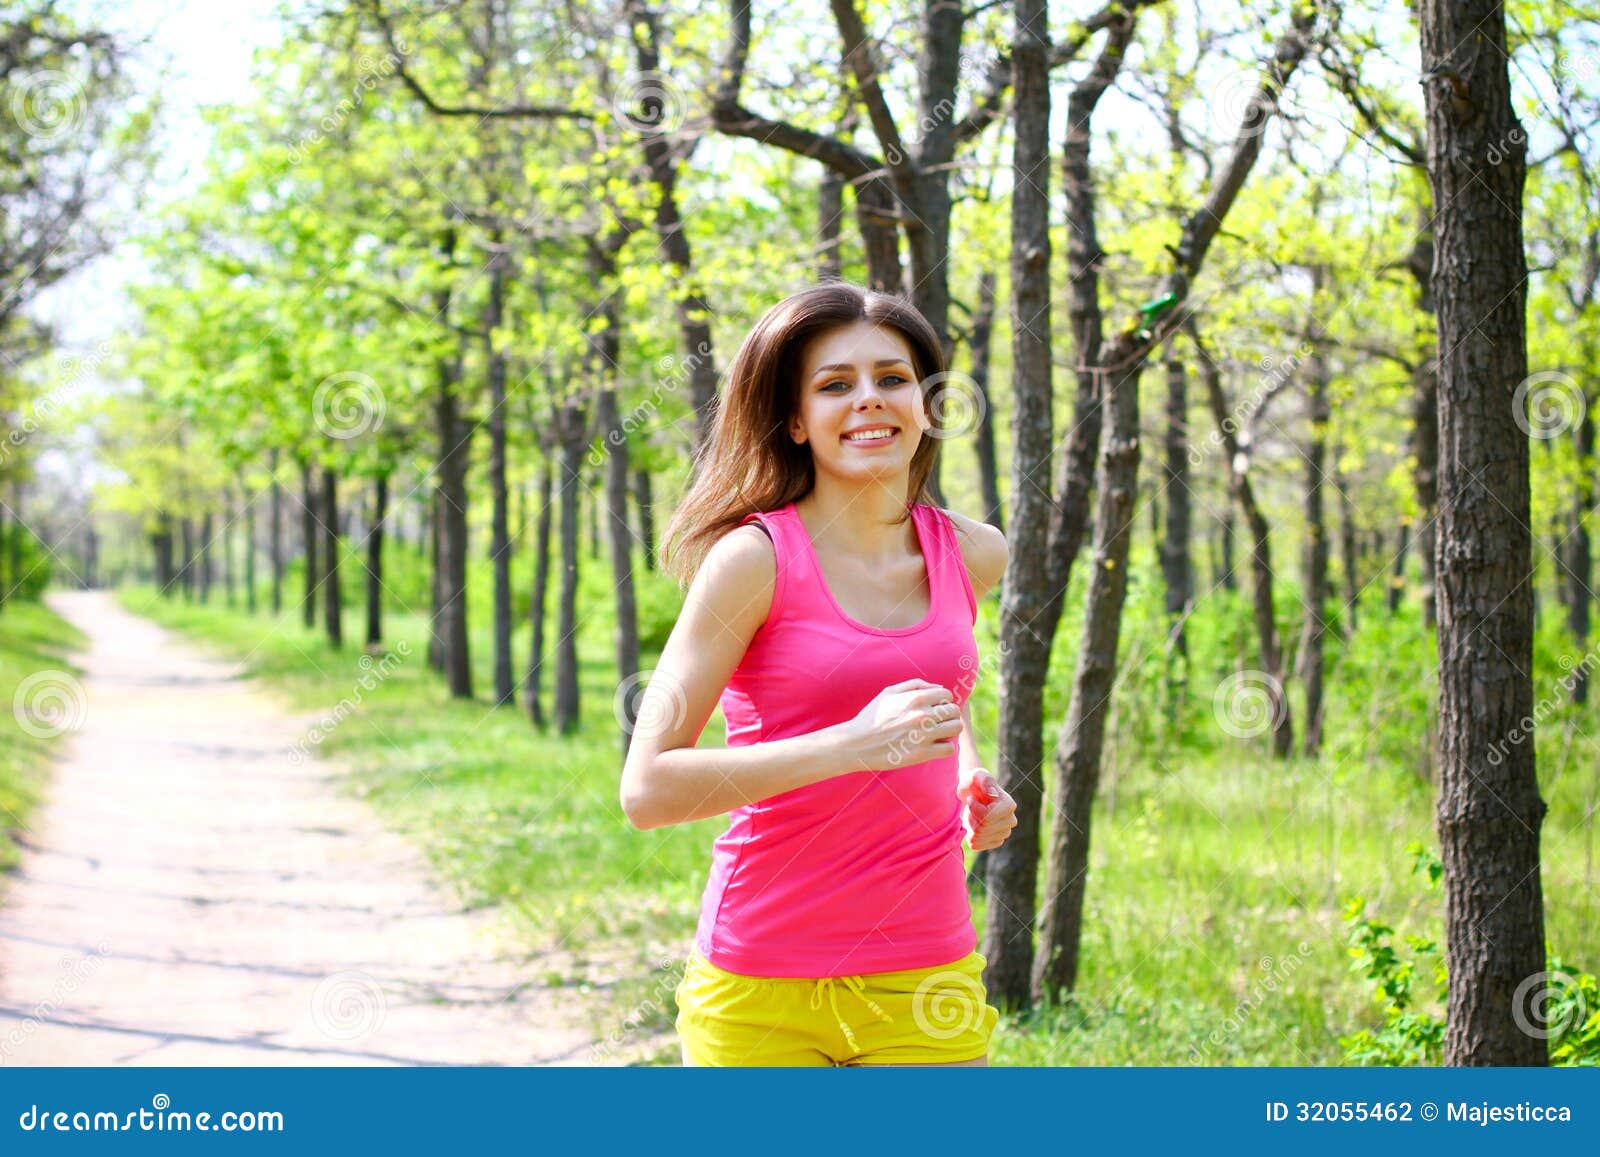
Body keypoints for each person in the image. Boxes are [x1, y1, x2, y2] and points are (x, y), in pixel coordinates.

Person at [621, 281, 1019, 1067]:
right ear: (797, 421)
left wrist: (971, 775)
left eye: (892, 378)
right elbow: (647, 790)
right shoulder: (753, 561)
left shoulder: (973, 553)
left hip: (925, 972)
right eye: (836, 385)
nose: (869, 400)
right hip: (762, 983)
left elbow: (939, 689)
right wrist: (849, 744)